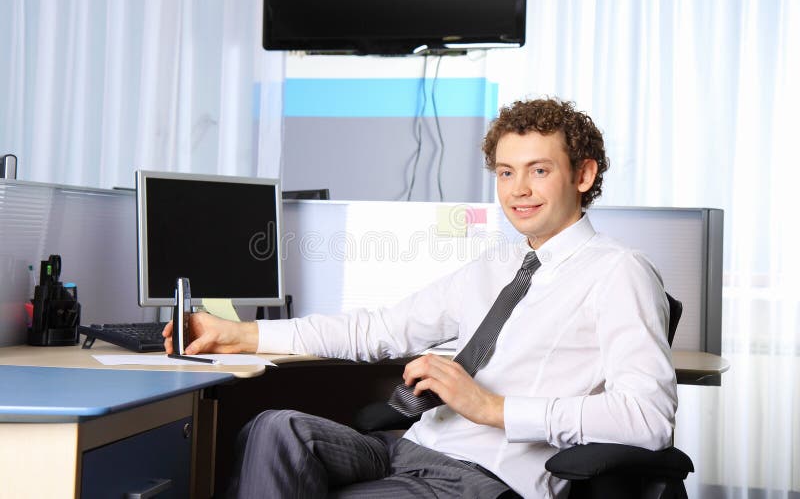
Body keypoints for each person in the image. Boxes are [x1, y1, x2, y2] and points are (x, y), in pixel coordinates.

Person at [163, 98, 678, 498]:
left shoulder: (619, 272)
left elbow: (648, 418)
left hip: (480, 478)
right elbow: (376, 329)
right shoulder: (495, 265)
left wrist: (492, 407)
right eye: (506, 172)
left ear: (583, 175)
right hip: (408, 449)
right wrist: (239, 334)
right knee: (274, 429)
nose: (518, 189)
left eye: (539, 170)